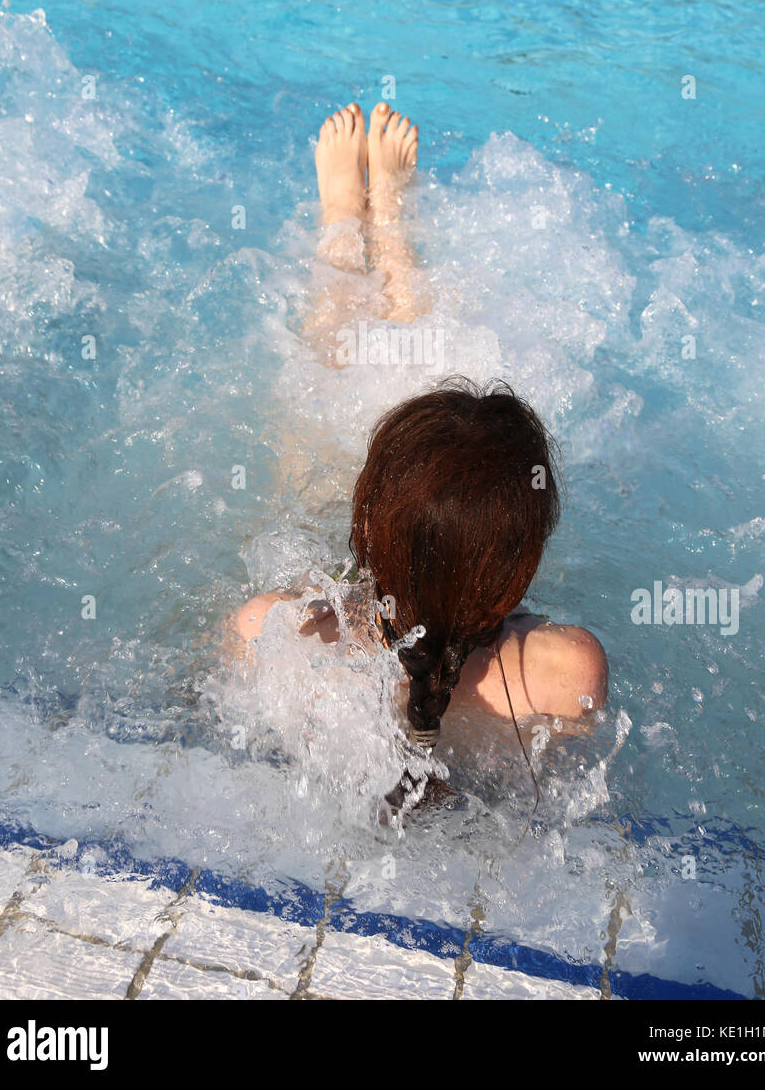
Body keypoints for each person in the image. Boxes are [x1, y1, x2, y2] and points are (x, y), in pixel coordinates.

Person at [233, 102, 607, 769]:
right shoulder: (565, 673)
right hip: (436, 580)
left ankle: (345, 223)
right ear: (515, 581)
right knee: (348, 397)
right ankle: (392, 226)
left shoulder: (275, 632)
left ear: (364, 526)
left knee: (318, 401)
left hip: (354, 594)